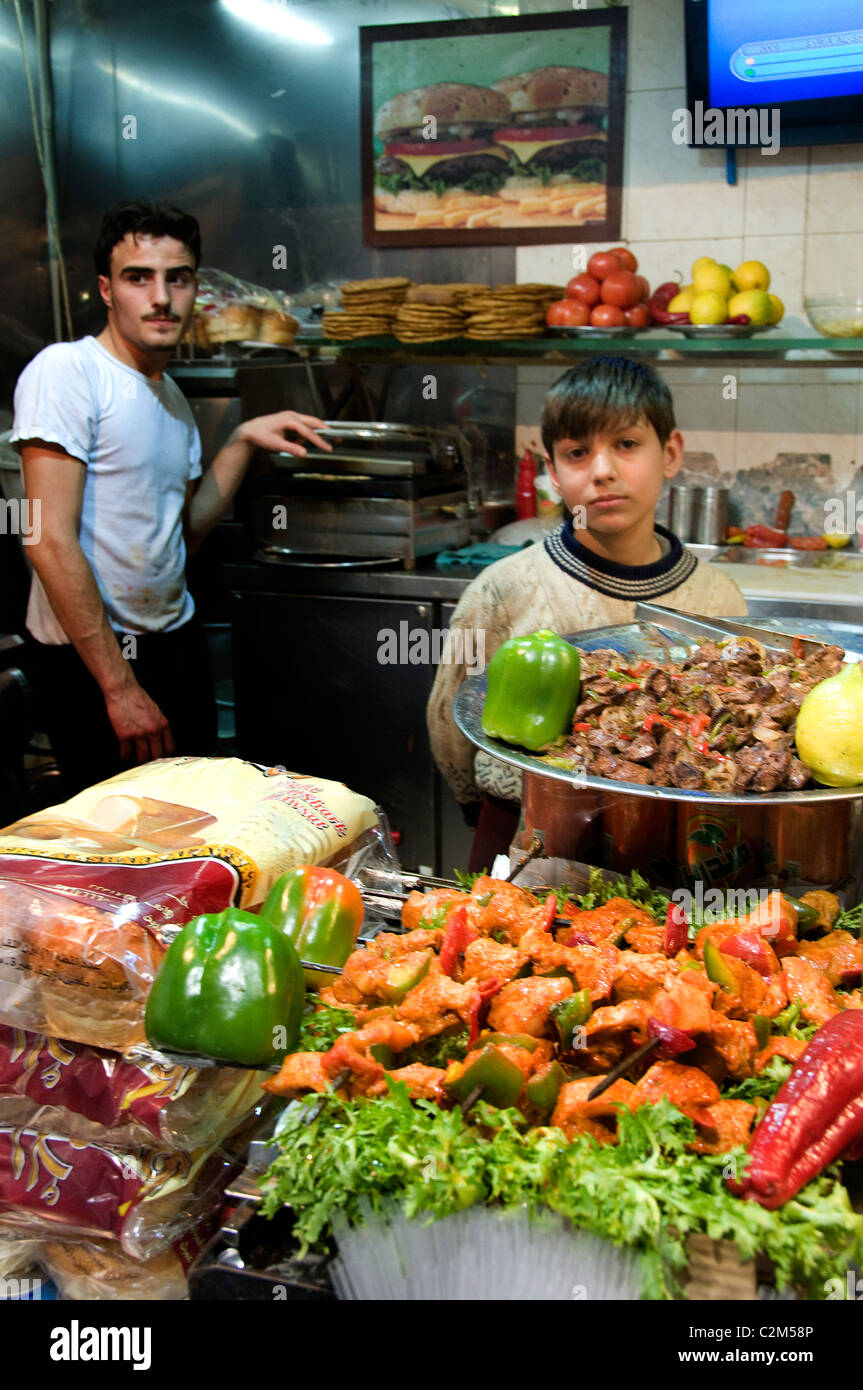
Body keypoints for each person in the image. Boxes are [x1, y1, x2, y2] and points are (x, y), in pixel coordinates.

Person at [11, 200, 329, 797]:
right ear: (107, 290)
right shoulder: (68, 371)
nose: (161, 297)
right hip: (93, 661)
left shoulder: (172, 399)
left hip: (171, 647)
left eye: (177, 279)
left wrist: (239, 442)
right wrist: (119, 688)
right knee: (119, 849)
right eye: (139, 278)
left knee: (192, 827)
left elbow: (180, 539)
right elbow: (46, 539)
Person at [427, 356, 748, 865]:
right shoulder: (504, 591)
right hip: (520, 831)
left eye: (626, 444)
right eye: (578, 452)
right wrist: (476, 803)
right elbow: (450, 719)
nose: (603, 471)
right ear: (552, 472)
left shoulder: (717, 601)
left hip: (670, 846)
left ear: (670, 453)